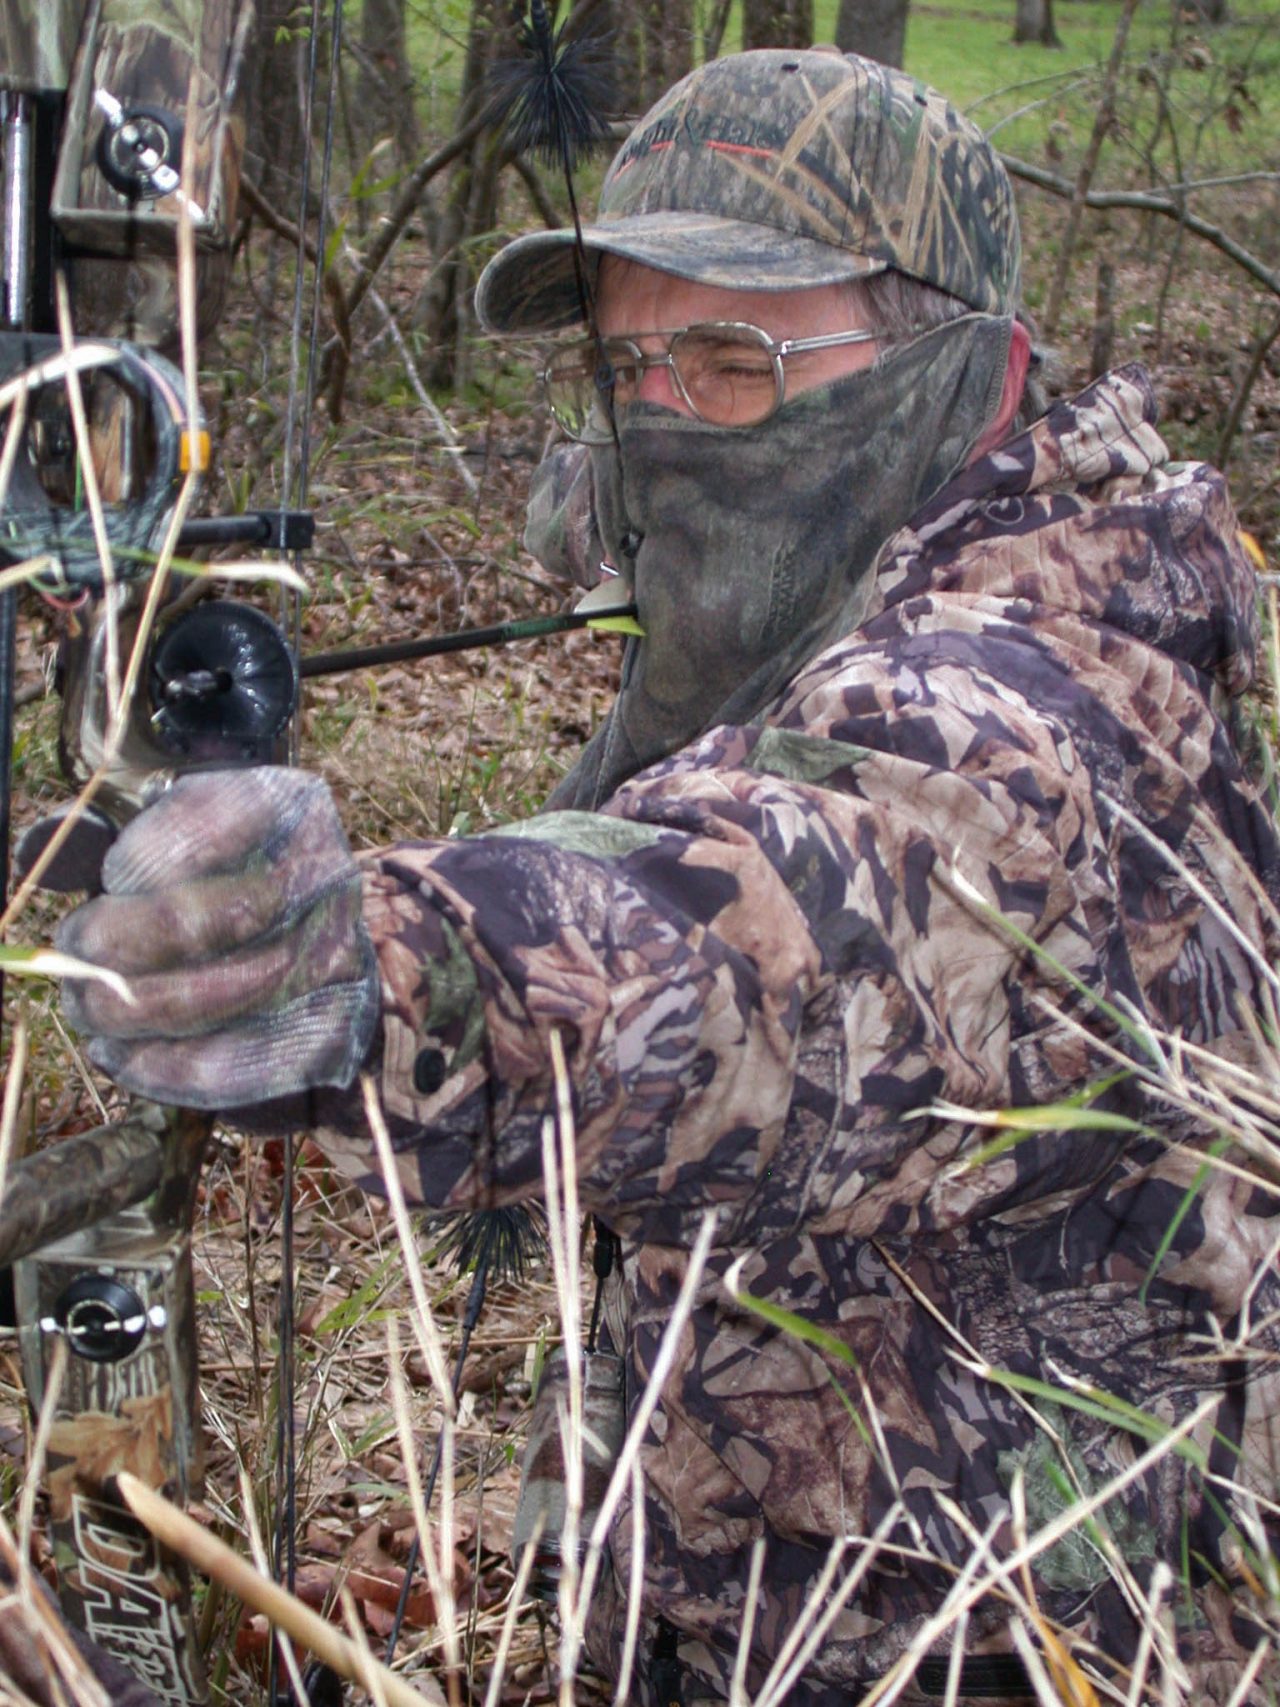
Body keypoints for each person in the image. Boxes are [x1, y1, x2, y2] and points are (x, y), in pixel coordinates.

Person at [55, 48, 1280, 1707]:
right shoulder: (849, 570)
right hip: (755, 1593)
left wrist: (376, 966)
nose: (671, 420)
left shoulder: (1036, 705)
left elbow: (769, 923)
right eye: (635, 368)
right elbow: (652, 536)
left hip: (1004, 1651)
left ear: (964, 368)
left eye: (737, 359)